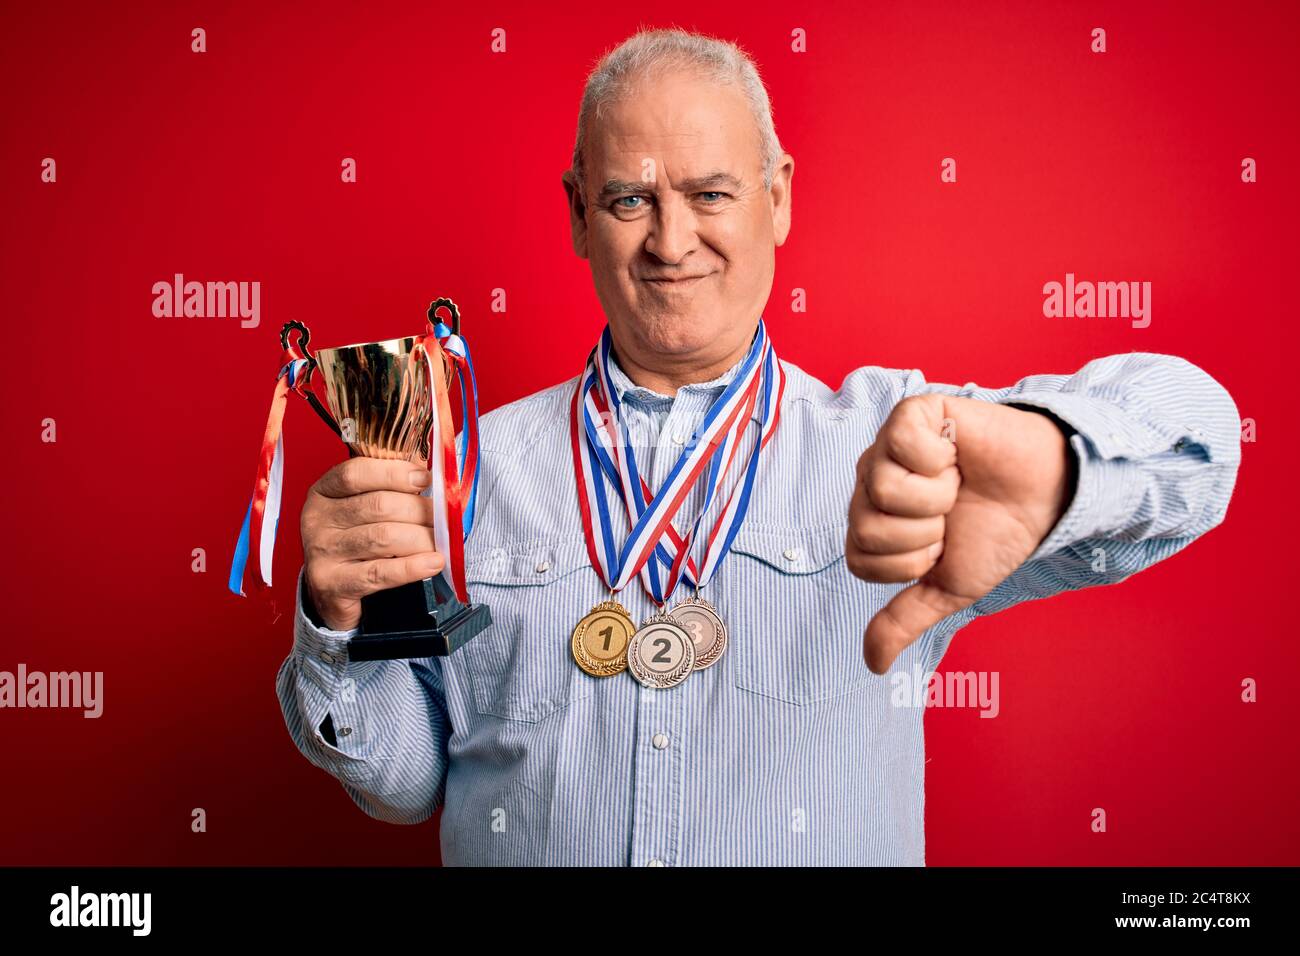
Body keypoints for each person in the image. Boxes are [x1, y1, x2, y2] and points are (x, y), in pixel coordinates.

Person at [276, 28, 1240, 865]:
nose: (671, 239)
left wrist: (1054, 455)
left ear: (776, 197)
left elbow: (1201, 441)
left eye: (711, 192)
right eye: (628, 201)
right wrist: (334, 618)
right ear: (577, 213)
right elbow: (401, 785)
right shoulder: (457, 475)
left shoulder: (906, 452)